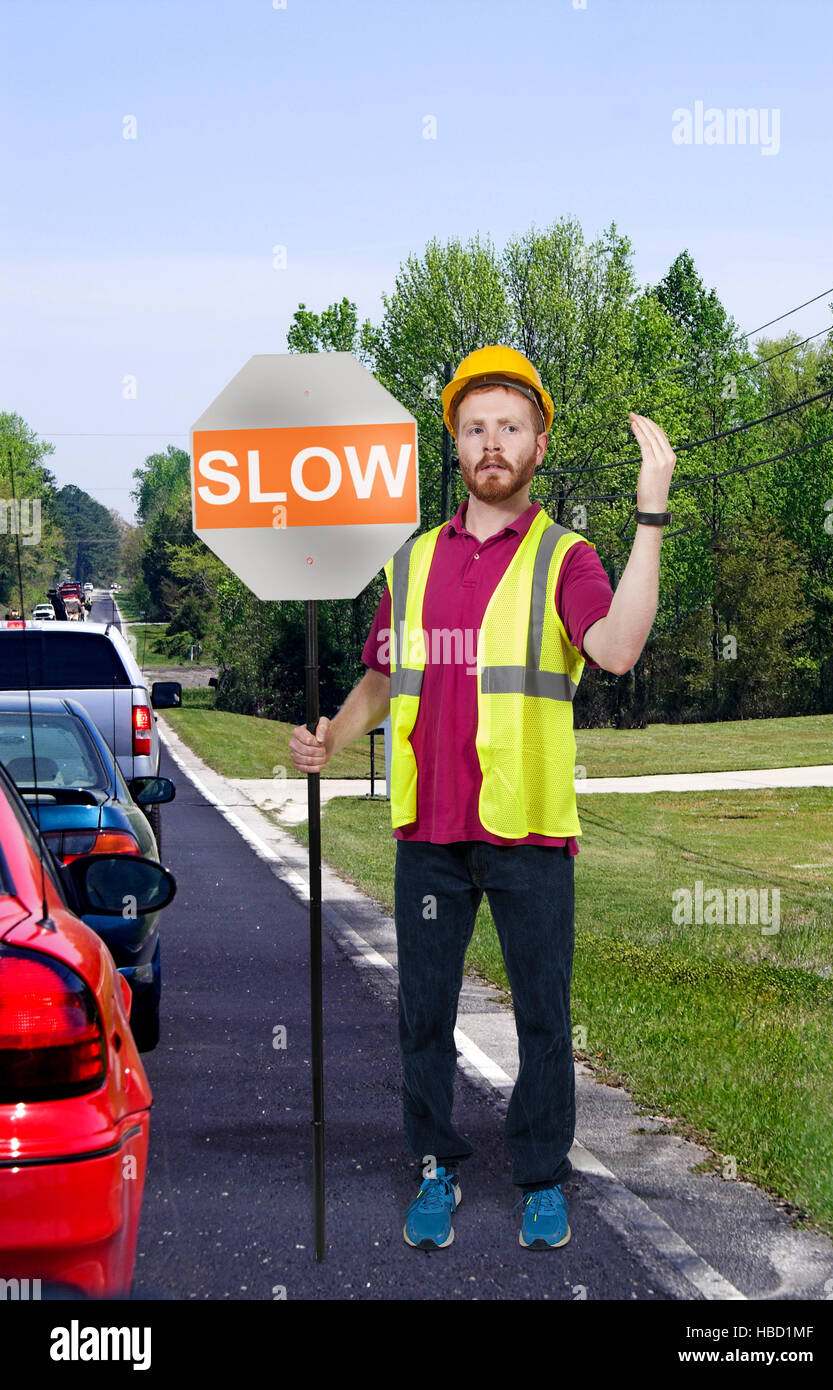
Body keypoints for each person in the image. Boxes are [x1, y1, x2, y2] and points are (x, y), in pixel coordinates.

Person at [289, 346, 676, 1251]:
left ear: (538, 444)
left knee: (542, 1015)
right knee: (423, 1013)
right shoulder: (413, 562)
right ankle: (437, 1164)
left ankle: (542, 1175)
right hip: (429, 831)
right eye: (473, 429)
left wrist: (649, 518)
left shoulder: (566, 559)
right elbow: (385, 677)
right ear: (453, 446)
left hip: (530, 830)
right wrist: (332, 738)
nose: (490, 443)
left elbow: (616, 649)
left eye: (509, 426)